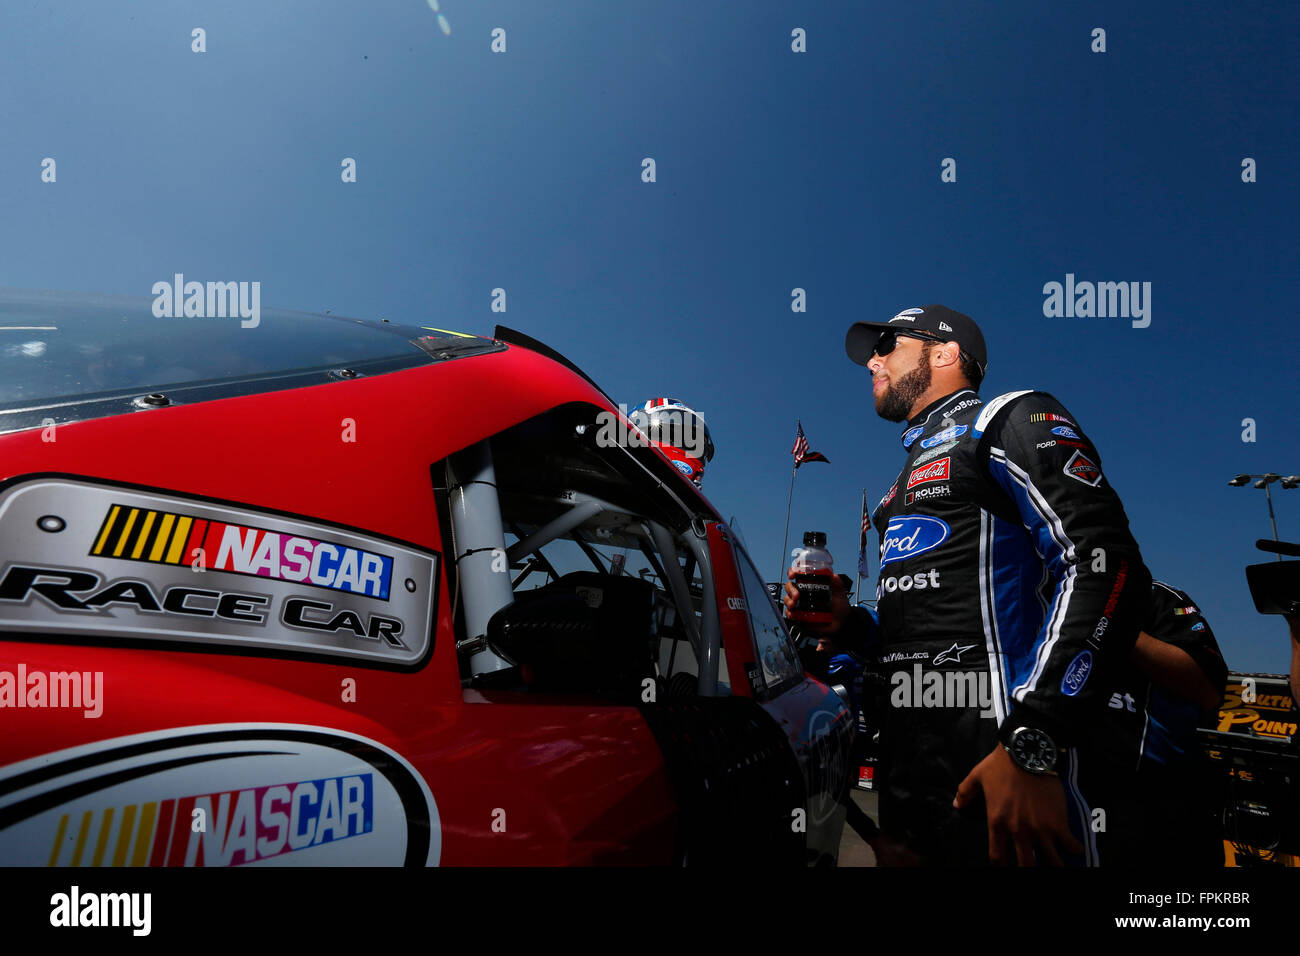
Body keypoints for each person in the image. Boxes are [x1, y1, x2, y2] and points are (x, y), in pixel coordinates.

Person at [843, 304, 1152, 865]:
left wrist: (1035, 741)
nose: (872, 359)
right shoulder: (896, 490)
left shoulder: (1008, 417)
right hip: (913, 803)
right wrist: (844, 623)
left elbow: (1105, 566)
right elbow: (916, 635)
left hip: (1009, 785)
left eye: (888, 342)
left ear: (945, 352)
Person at [1098, 581, 1228, 866]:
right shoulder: (1031, 602)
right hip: (1061, 803)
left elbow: (1208, 689)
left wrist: (1105, 619)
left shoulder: (1155, 596)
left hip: (1157, 812)